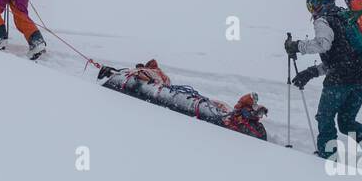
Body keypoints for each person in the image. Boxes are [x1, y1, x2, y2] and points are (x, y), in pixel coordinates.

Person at [286, 0, 362, 162]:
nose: (312, 11)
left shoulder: (323, 20)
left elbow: (323, 44)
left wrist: (297, 46)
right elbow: (344, 57)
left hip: (340, 81)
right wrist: (311, 72)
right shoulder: (348, 17)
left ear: (316, 4)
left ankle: (327, 158)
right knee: (346, 122)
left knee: (325, 117)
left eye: (311, 6)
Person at [97, 59, 266, 140]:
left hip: (157, 88)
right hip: (154, 87)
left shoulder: (151, 73)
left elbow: (148, 77)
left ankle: (237, 117)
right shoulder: (150, 74)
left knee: (209, 107)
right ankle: (237, 117)